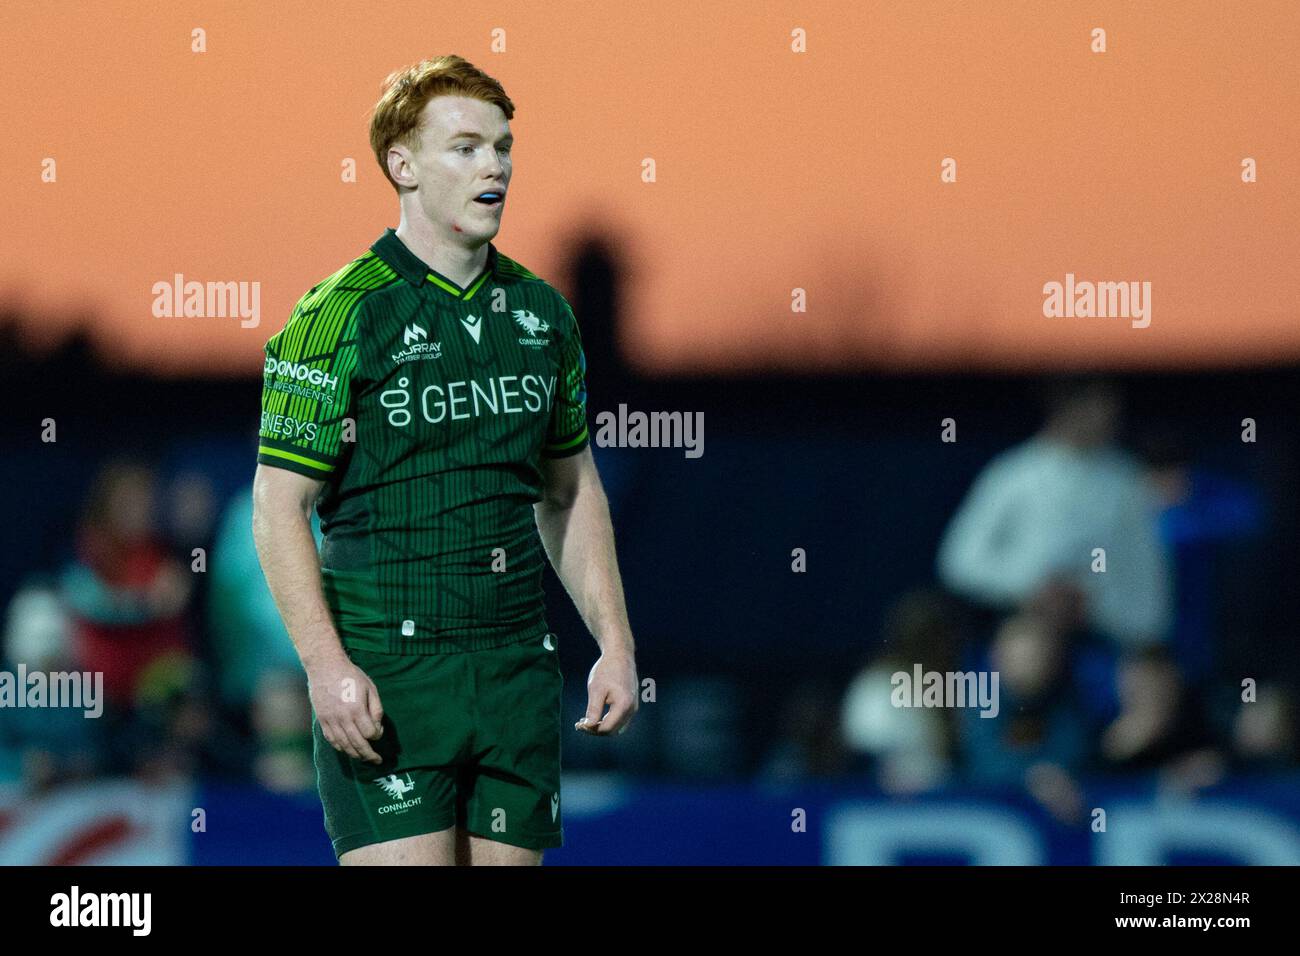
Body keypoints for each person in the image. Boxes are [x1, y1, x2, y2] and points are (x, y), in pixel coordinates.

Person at [252, 55, 639, 866]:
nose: (494, 165)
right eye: (465, 147)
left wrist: (615, 642)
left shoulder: (542, 316)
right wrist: (325, 669)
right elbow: (277, 508)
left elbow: (567, 494)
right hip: (390, 675)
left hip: (515, 673)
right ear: (403, 164)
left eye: (502, 147)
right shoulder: (337, 316)